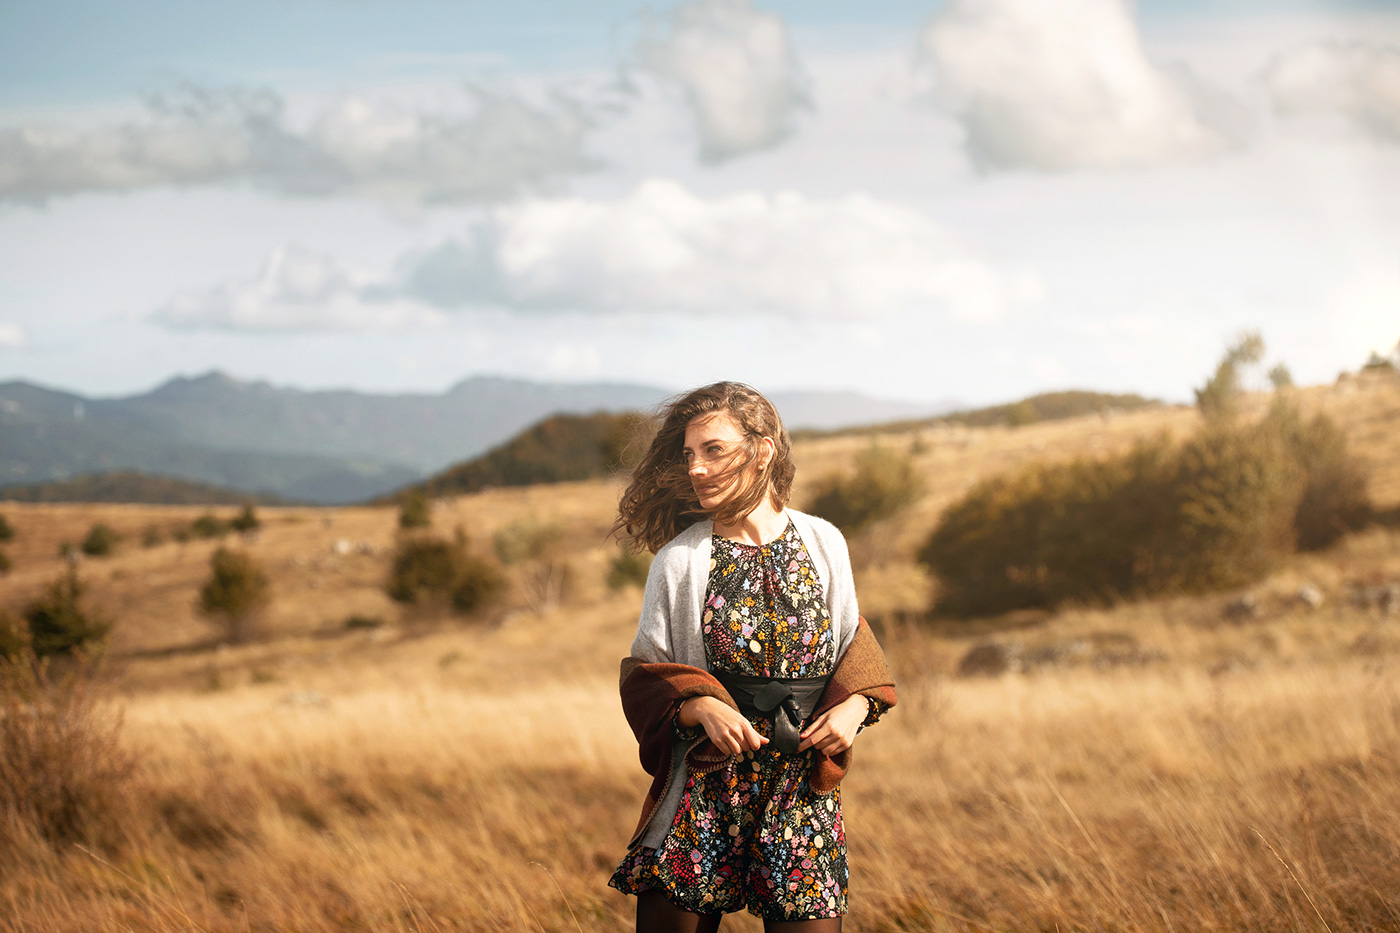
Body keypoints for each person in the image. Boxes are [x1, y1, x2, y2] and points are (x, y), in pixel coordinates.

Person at [609, 381, 898, 933]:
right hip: (704, 789)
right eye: (689, 455)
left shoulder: (824, 542)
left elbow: (853, 647)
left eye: (713, 450)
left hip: (800, 791)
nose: (695, 468)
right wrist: (700, 707)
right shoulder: (679, 562)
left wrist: (855, 709)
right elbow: (645, 675)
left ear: (763, 449)